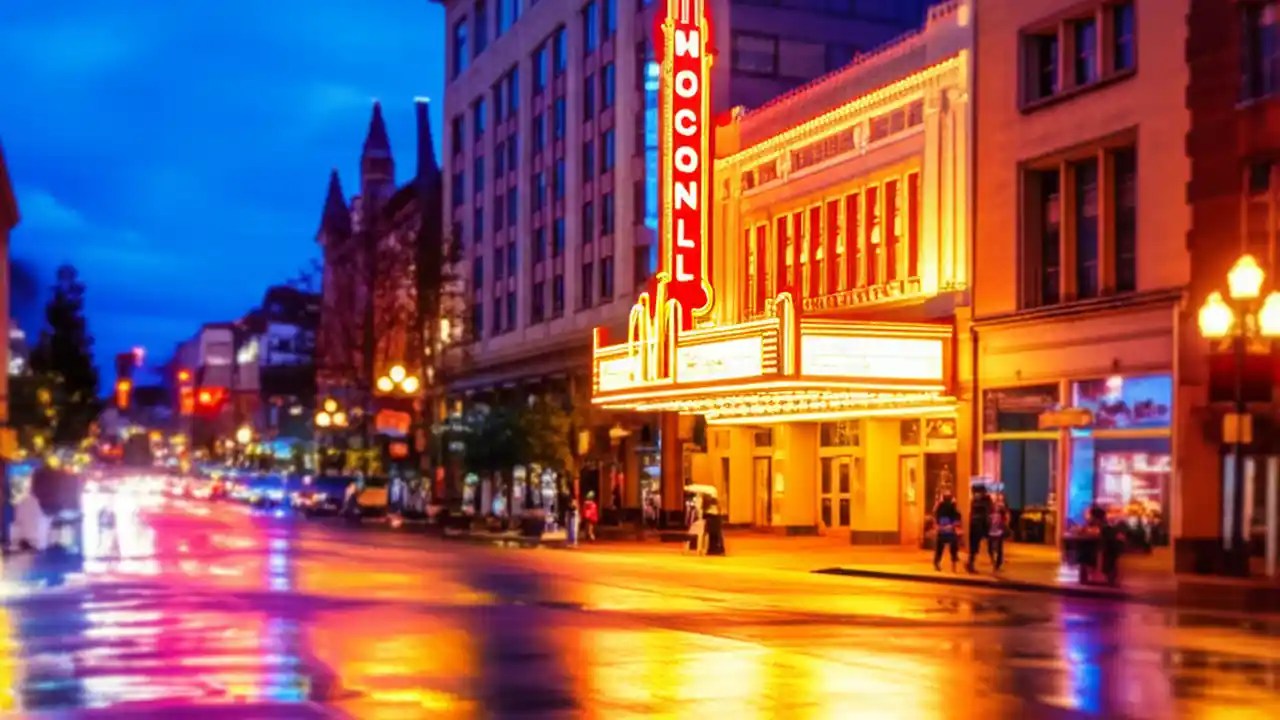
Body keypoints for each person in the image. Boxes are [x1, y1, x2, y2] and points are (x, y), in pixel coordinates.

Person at [967, 484, 993, 573]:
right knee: (976, 546)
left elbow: (988, 511)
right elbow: (988, 511)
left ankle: (971, 563)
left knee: (975, 546)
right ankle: (971, 563)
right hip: (979, 525)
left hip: (978, 525)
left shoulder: (977, 500)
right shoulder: (984, 501)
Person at [933, 492, 962, 572]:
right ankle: (952, 564)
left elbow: (936, 514)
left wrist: (938, 525)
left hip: (944, 527)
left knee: (941, 547)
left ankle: (938, 562)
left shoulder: (942, 505)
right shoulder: (950, 505)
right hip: (947, 528)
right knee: (951, 546)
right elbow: (957, 516)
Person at [988, 493, 1010, 571]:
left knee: (998, 548)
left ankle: (997, 563)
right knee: (992, 548)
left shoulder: (1002, 510)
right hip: (992, 530)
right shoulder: (991, 510)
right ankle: (995, 563)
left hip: (998, 530)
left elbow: (1006, 519)